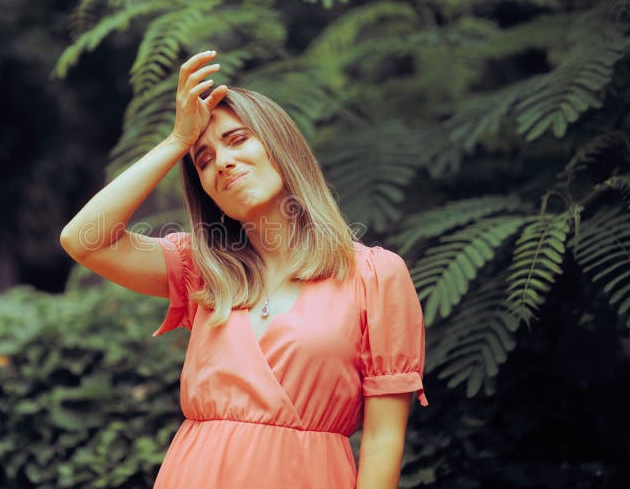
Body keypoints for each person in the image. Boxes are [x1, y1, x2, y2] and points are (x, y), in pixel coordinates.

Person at [59, 50, 428, 489]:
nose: (222, 162)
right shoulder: (202, 269)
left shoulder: (375, 275)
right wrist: (177, 140)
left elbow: (384, 439)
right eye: (204, 159)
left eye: (237, 140)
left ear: (281, 147)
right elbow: (83, 239)